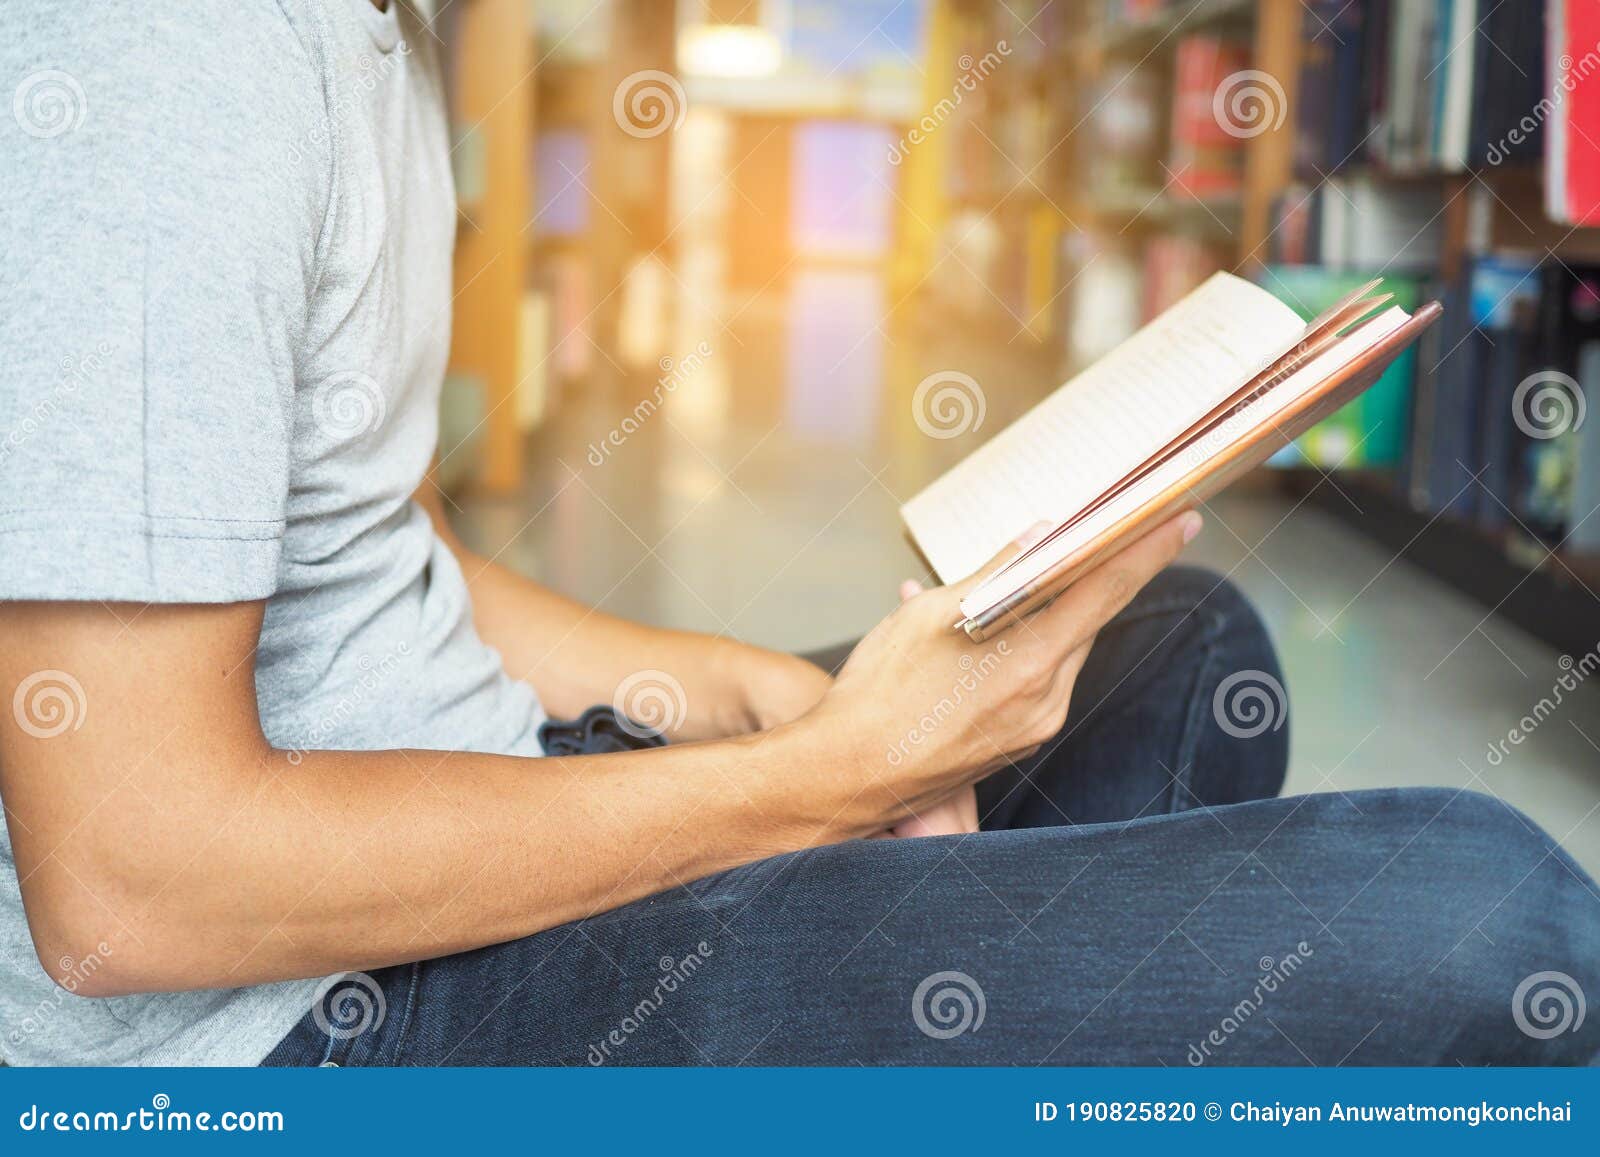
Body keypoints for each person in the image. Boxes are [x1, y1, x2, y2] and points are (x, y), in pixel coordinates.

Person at [1, 0, 1595, 1069]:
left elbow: (383, 539)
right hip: (279, 1027)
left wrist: (748, 687)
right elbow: (131, 890)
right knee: (1491, 911)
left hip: (435, 789)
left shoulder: (383, 33)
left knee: (1180, 652)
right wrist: (817, 782)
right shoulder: (175, 56)